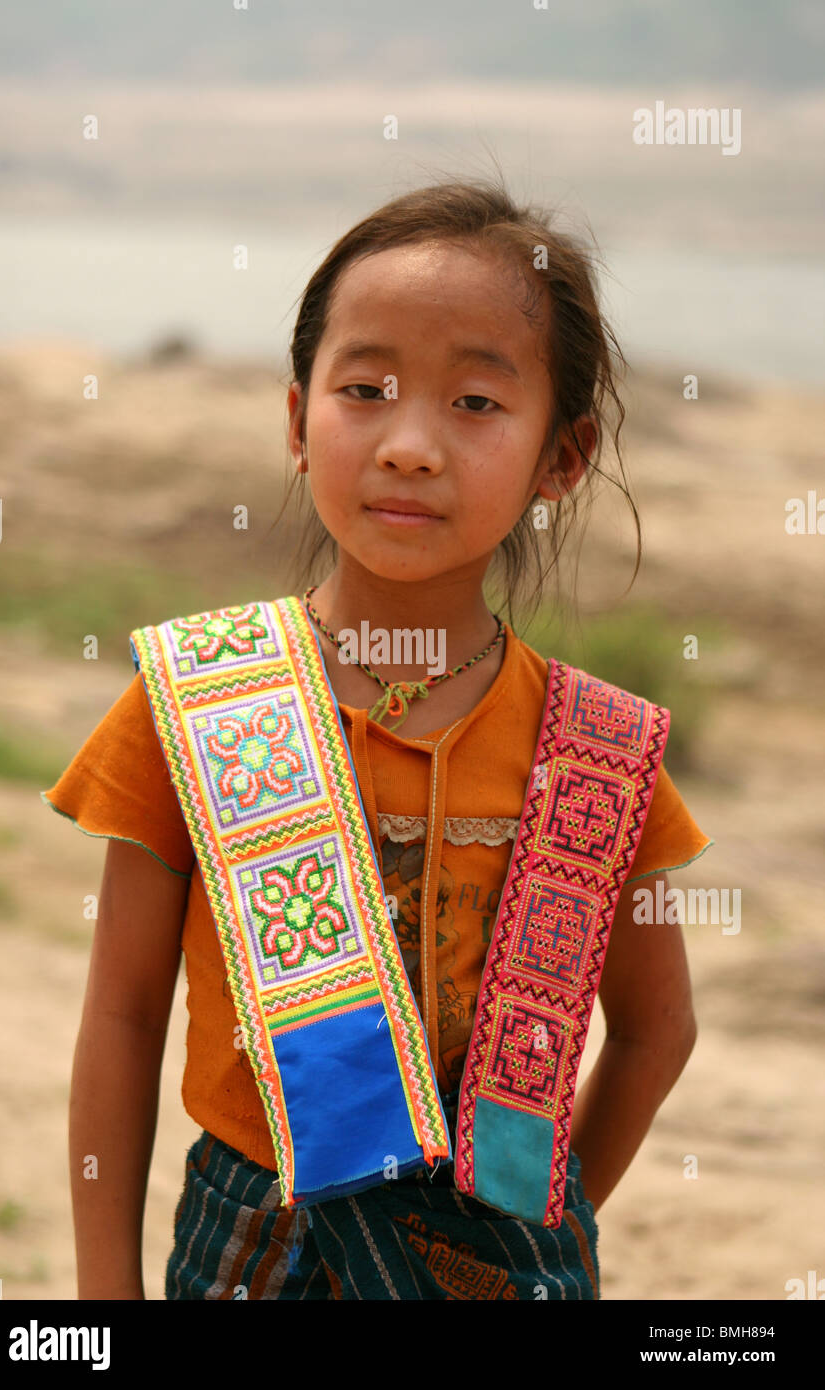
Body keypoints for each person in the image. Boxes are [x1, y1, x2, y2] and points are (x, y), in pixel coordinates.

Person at [42, 176, 713, 1301]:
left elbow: (656, 1031)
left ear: (562, 457)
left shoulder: (597, 755)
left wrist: (529, 1234)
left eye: (475, 404)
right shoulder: (195, 707)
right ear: (297, 419)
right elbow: (120, 1016)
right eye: (365, 388)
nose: (409, 444)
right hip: (250, 1246)